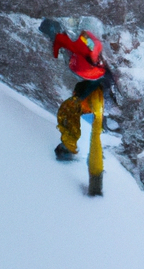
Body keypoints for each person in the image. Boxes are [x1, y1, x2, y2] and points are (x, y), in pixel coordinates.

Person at [40, 18, 117, 196]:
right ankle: (72, 151)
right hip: (92, 91)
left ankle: (70, 150)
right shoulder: (94, 63)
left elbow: (69, 44)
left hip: (90, 93)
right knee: (90, 125)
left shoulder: (91, 78)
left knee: (78, 116)